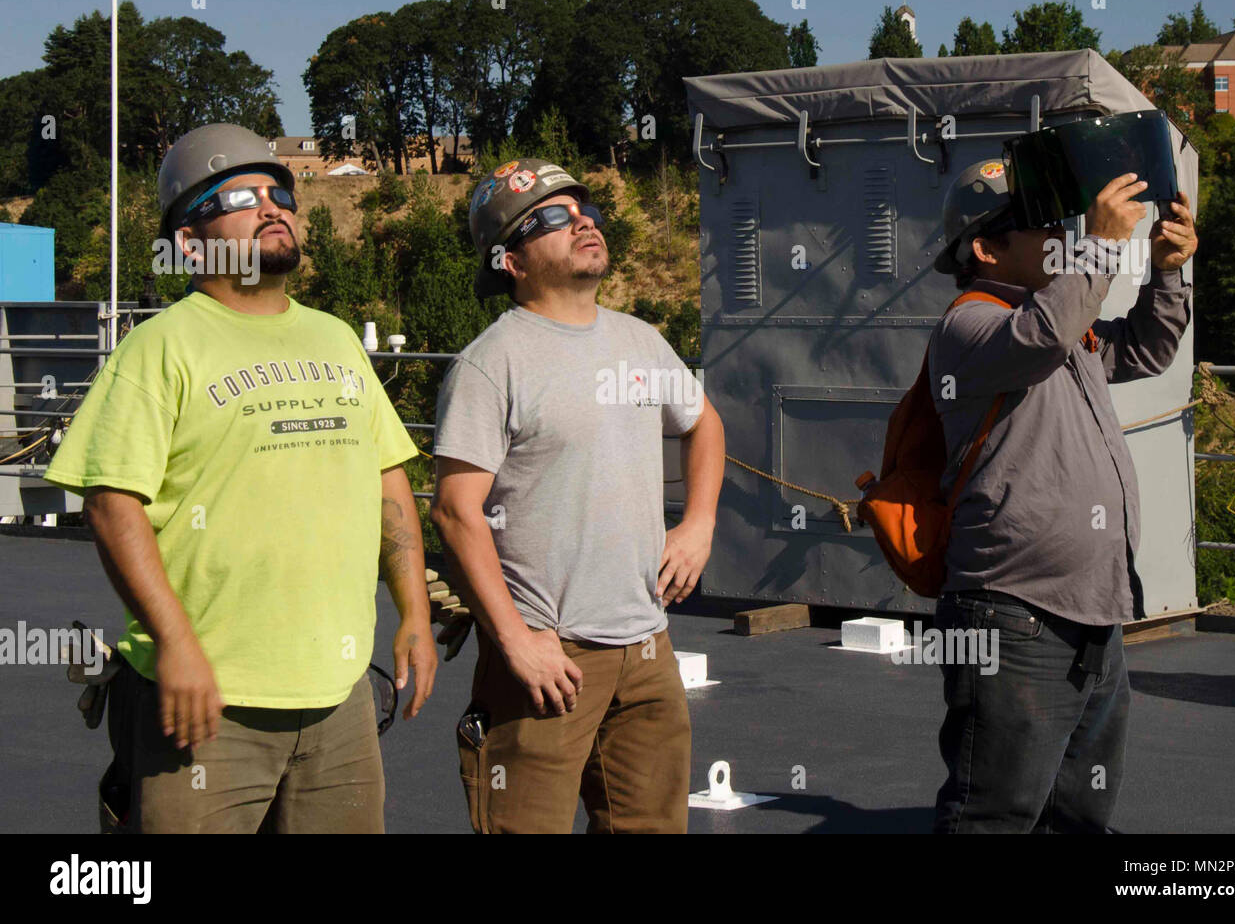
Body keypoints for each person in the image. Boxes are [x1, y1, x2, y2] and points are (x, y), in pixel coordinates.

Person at [43, 123, 435, 833]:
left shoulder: (337, 338)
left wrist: (415, 614)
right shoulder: (159, 348)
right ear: (190, 242)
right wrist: (176, 644)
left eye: (279, 191)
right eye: (240, 196)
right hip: (202, 699)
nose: (272, 205)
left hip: (338, 700)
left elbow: (388, 482)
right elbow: (110, 505)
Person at [432, 158, 725, 833]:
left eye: (584, 210)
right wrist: (514, 640)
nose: (582, 222)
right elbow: (454, 511)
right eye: (553, 218)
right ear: (511, 260)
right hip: (546, 654)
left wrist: (700, 523)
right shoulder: (492, 363)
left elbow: (703, 422)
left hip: (647, 647)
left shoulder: (640, 341)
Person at [927, 158, 1197, 832]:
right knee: (992, 812)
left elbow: (1144, 349)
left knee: (1078, 812)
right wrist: (1103, 247)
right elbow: (1040, 337)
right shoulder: (971, 326)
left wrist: (1165, 269)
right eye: (1037, 224)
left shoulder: (1061, 325)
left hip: (1091, 615)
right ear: (985, 248)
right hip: (1012, 614)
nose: (1058, 234)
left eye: (1059, 222)